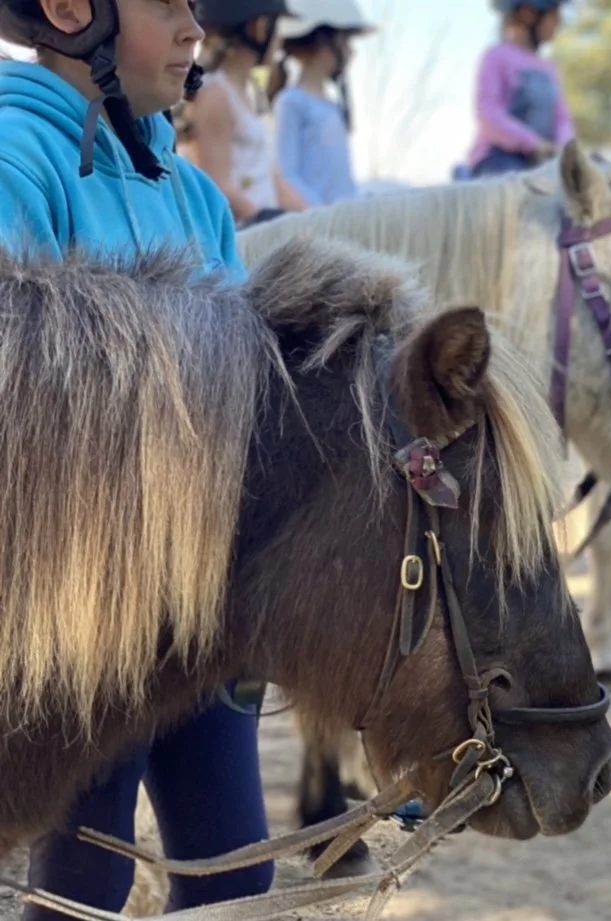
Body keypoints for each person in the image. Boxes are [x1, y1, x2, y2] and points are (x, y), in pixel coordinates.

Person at [0, 0, 274, 916]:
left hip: (201, 608)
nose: (198, 27)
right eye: (169, 4)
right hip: (82, 611)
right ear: (73, 9)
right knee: (84, 880)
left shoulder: (196, 197)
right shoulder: (13, 158)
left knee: (237, 875)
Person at [181, 0, 307, 226]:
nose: (279, 41)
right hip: (246, 237)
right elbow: (217, 183)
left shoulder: (245, 93)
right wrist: (271, 225)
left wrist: (314, 218)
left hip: (264, 227)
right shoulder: (215, 94)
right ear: (258, 27)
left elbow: (271, 179)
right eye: (275, 29)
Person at [270, 0, 372, 207]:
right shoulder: (291, 102)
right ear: (321, 45)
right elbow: (286, 175)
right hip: (320, 228)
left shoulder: (331, 105)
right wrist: (323, 216)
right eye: (345, 42)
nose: (351, 52)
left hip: (343, 221)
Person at [466, 0, 574, 178]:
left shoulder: (549, 67)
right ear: (528, 14)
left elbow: (562, 118)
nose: (559, 23)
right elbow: (488, 113)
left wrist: (566, 148)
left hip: (544, 159)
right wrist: (533, 143)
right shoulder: (496, 57)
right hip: (500, 158)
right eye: (554, 16)